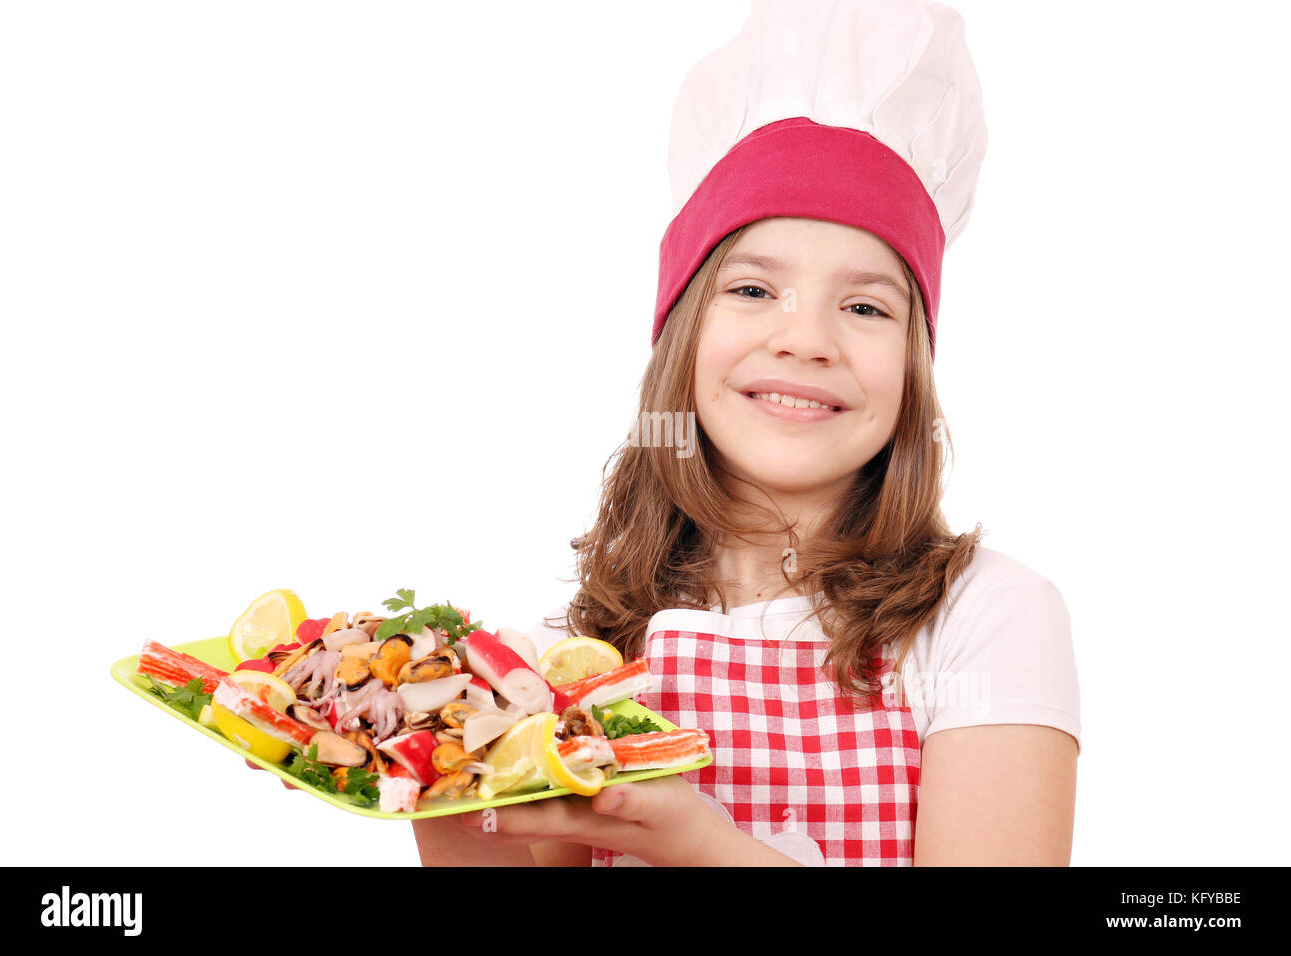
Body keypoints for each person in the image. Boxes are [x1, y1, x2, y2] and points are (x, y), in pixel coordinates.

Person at [414, 0, 1080, 866]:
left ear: (915, 367)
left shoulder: (985, 617)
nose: (806, 339)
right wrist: (435, 772)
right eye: (754, 290)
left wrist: (698, 842)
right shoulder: (581, 654)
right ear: (682, 335)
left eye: (866, 306)